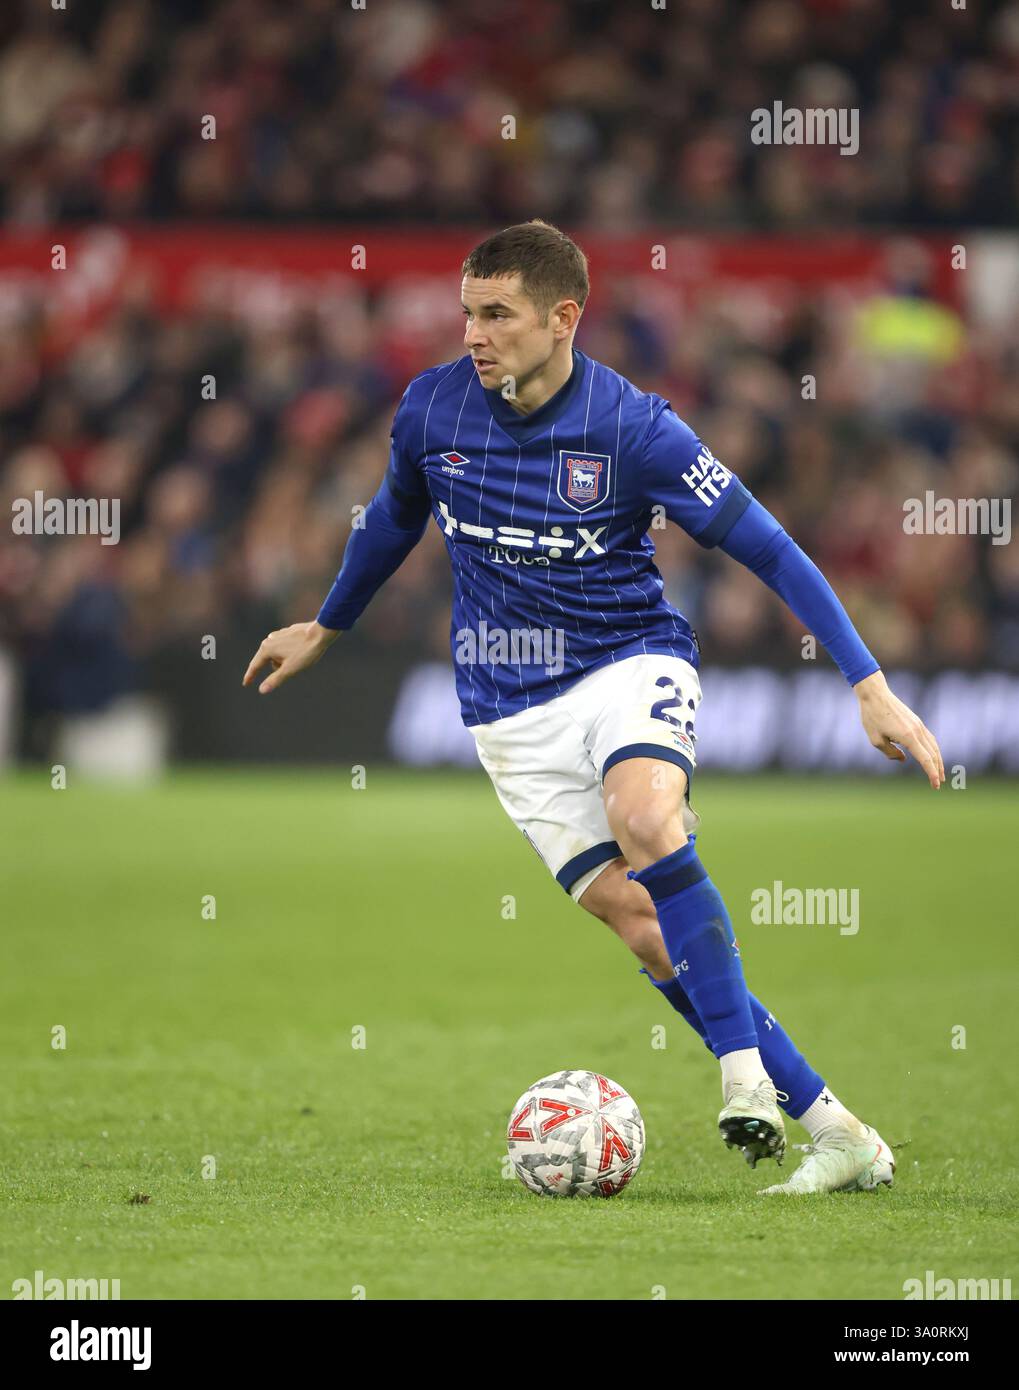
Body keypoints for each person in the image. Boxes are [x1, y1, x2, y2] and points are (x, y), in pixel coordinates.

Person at [243, 220, 944, 1195]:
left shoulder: (632, 429)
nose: (473, 334)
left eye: (498, 315)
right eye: (466, 313)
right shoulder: (432, 410)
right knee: (646, 929)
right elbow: (394, 515)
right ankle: (839, 1135)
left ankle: (741, 1078)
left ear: (563, 318)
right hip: (505, 709)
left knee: (646, 817)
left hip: (626, 659)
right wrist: (327, 624)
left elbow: (768, 546)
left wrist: (866, 682)